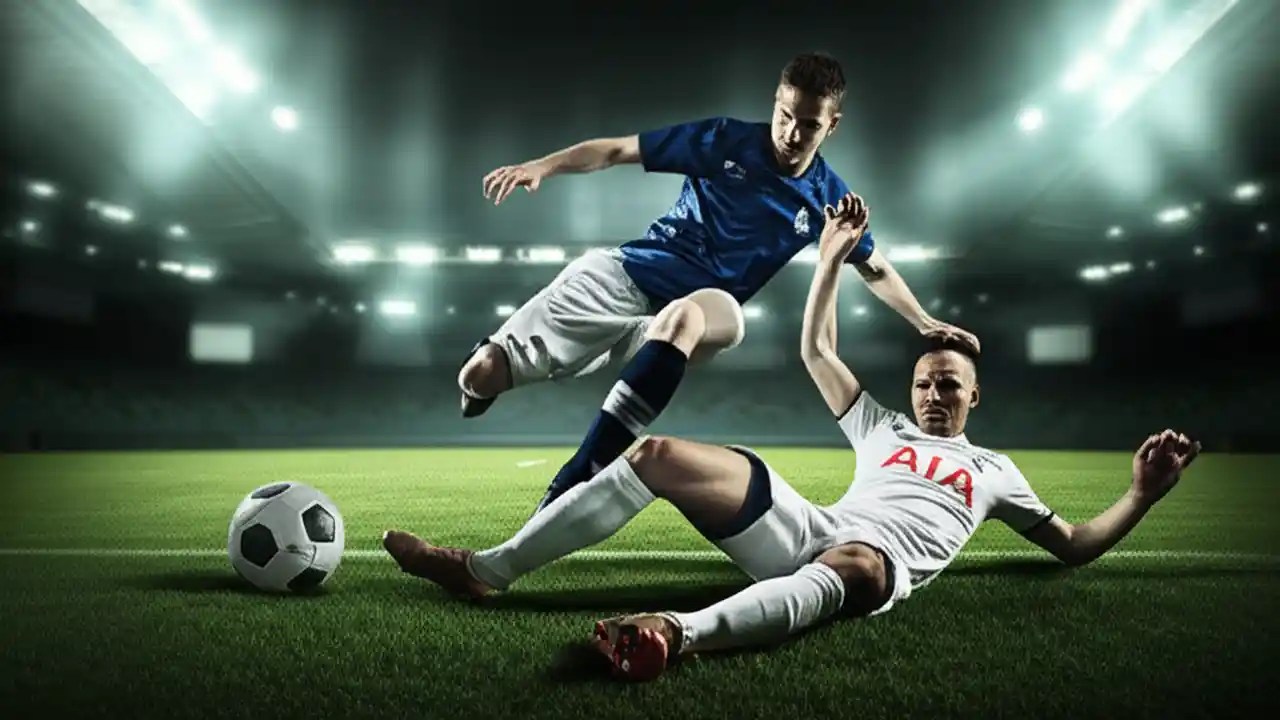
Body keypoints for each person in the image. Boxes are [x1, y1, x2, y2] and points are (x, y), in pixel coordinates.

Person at [383, 193, 1202, 681]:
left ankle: (676, 632)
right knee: (657, 455)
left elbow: (1071, 544)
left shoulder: (993, 471)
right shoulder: (881, 427)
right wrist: (831, 260)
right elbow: (817, 350)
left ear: (975, 394)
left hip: (875, 569)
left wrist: (1140, 493)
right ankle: (484, 571)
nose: (933, 391)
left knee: (850, 561)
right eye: (924, 381)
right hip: (812, 529)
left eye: (948, 384)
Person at [464, 51, 977, 511]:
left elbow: (874, 265)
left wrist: (926, 322)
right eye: (785, 116)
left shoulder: (827, 196)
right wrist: (542, 166)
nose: (793, 134)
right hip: (623, 277)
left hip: (693, 312)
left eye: (809, 125)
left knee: (726, 318)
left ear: (831, 126)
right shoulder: (723, 140)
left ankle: (579, 475)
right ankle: (502, 369)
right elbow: (618, 150)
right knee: (480, 374)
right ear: (774, 104)